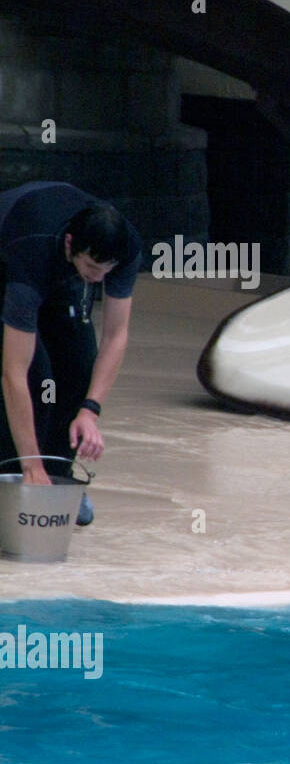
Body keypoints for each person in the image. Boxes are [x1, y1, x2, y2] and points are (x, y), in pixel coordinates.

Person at [0, 182, 141, 524]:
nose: (98, 279)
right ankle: (14, 477)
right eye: (94, 269)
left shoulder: (123, 247)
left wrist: (90, 411)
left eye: (106, 272)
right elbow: (13, 373)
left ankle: (56, 476)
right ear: (70, 245)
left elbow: (116, 334)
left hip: (61, 270)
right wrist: (29, 465)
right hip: (9, 259)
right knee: (38, 377)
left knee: (78, 365)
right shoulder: (32, 250)